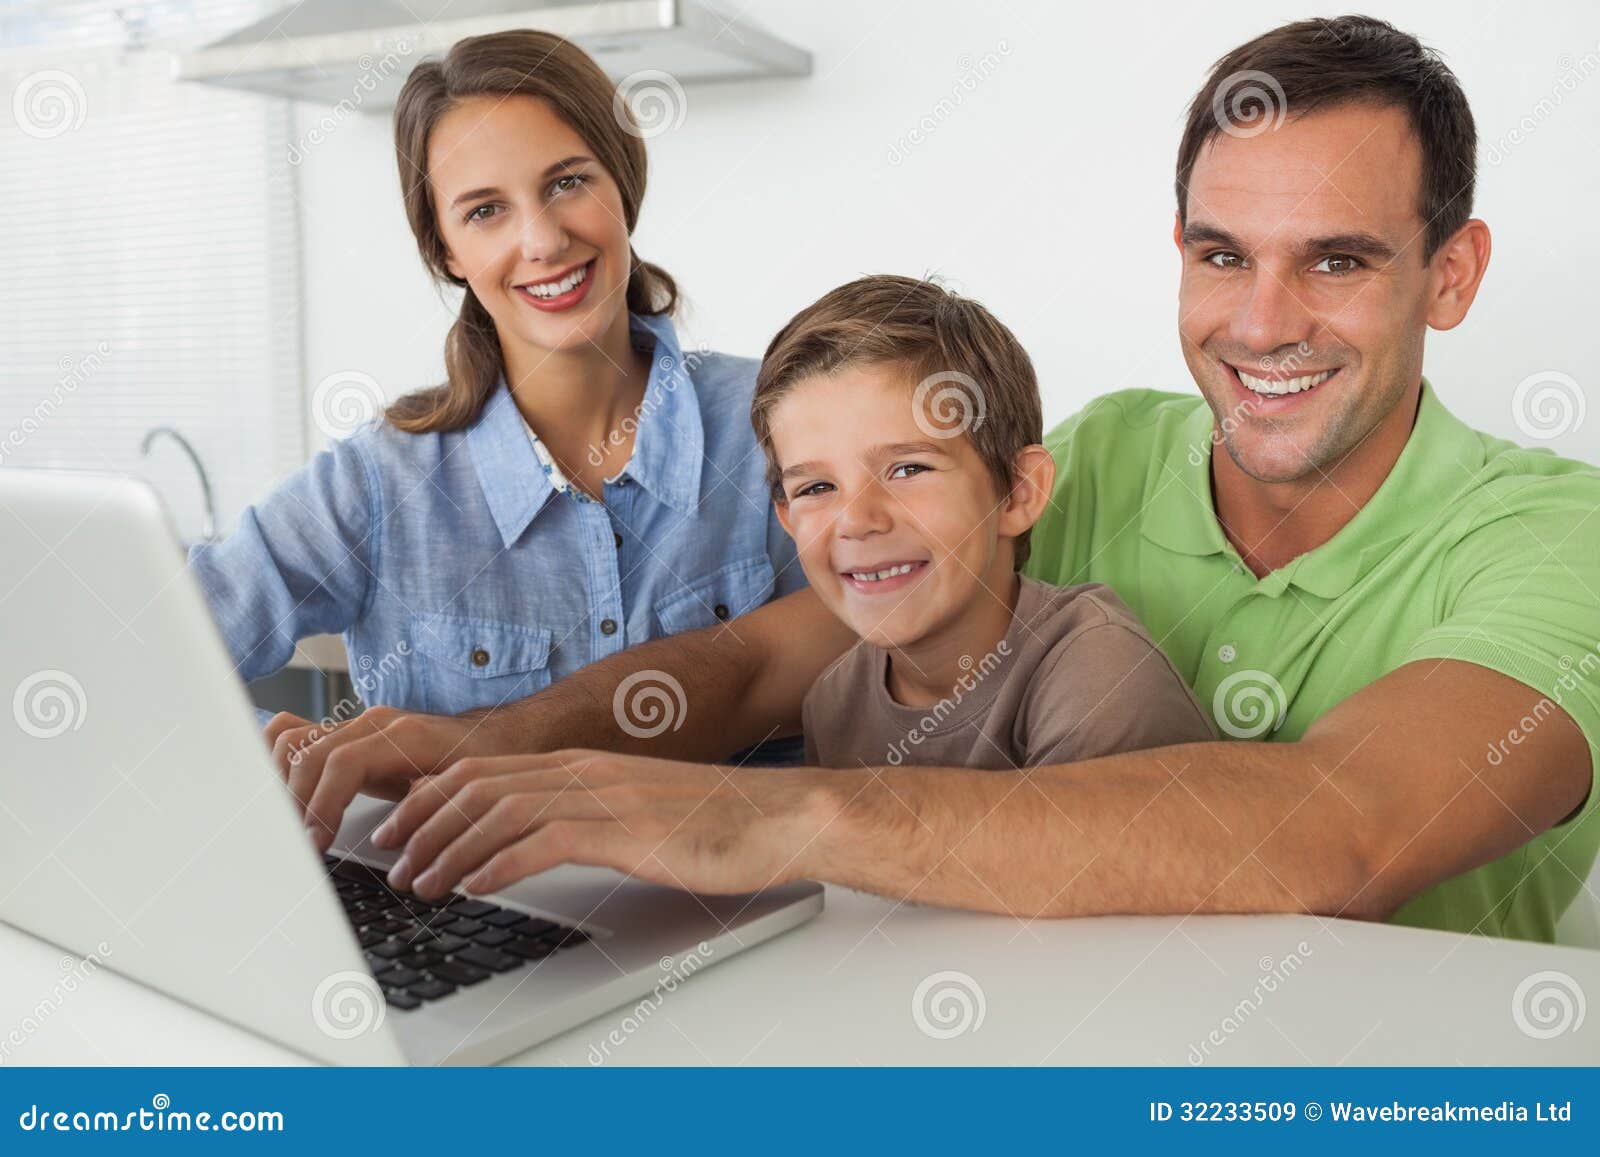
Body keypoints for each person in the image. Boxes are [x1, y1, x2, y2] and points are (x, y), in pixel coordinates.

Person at [278, 16, 1600, 943]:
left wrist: (769, 817)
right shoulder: (1107, 451)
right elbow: (753, 663)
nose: (1261, 322)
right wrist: (487, 745)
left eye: (1337, 260)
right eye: (1220, 255)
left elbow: (1343, 831)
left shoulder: (1556, 537)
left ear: (1452, 274)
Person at [188, 28, 805, 847]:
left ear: (623, 184)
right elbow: (154, 647)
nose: (542, 241)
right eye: (485, 211)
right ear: (446, 249)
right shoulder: (379, 482)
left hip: (752, 908)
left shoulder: (776, 422)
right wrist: (267, 756)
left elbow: (878, 659)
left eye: (568, 182)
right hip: (463, 904)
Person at [748, 273, 1212, 775]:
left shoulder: (1099, 671)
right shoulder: (831, 703)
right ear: (788, 520)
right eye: (816, 488)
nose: (856, 520)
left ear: (1018, 492)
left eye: (908, 469)